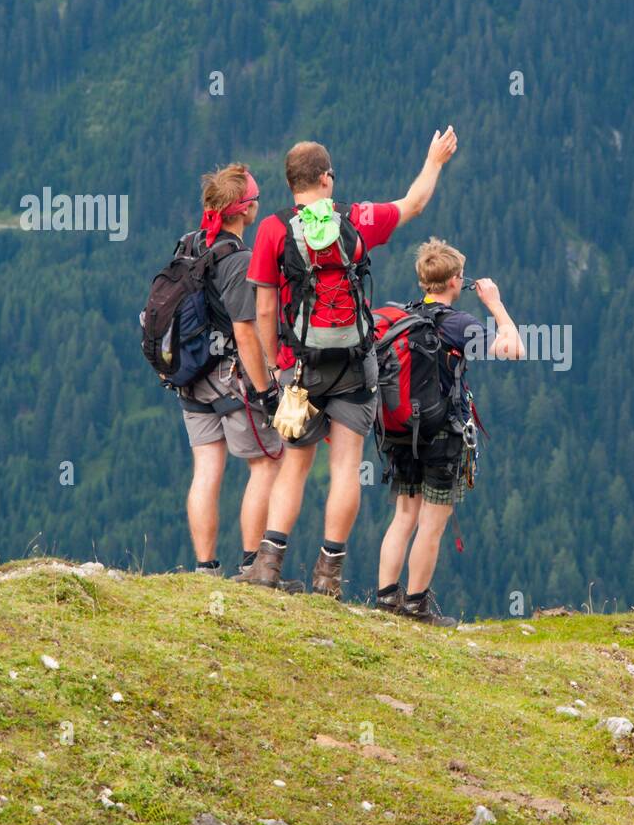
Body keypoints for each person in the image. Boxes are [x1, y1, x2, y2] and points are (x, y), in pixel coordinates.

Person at [236, 128, 459, 594]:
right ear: (326, 178)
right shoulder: (355, 219)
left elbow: (261, 308)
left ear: (292, 182)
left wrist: (274, 366)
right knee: (345, 466)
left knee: (295, 463)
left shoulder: (274, 229)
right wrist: (434, 160)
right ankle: (328, 576)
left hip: (301, 367)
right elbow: (413, 203)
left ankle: (268, 566)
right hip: (356, 365)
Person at [375, 238, 524, 625]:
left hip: (401, 431)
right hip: (443, 433)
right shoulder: (458, 323)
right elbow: (514, 349)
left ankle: (387, 598)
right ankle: (416, 606)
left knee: (404, 516)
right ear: (456, 281)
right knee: (433, 523)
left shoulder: (402, 317)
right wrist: (495, 305)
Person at [178, 164, 282, 577]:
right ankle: (252, 567)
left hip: (189, 375)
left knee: (207, 468)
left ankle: (206, 569)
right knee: (266, 462)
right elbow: (245, 330)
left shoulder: (189, 244)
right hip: (228, 375)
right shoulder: (238, 258)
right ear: (244, 210)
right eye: (254, 198)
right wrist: (265, 391)